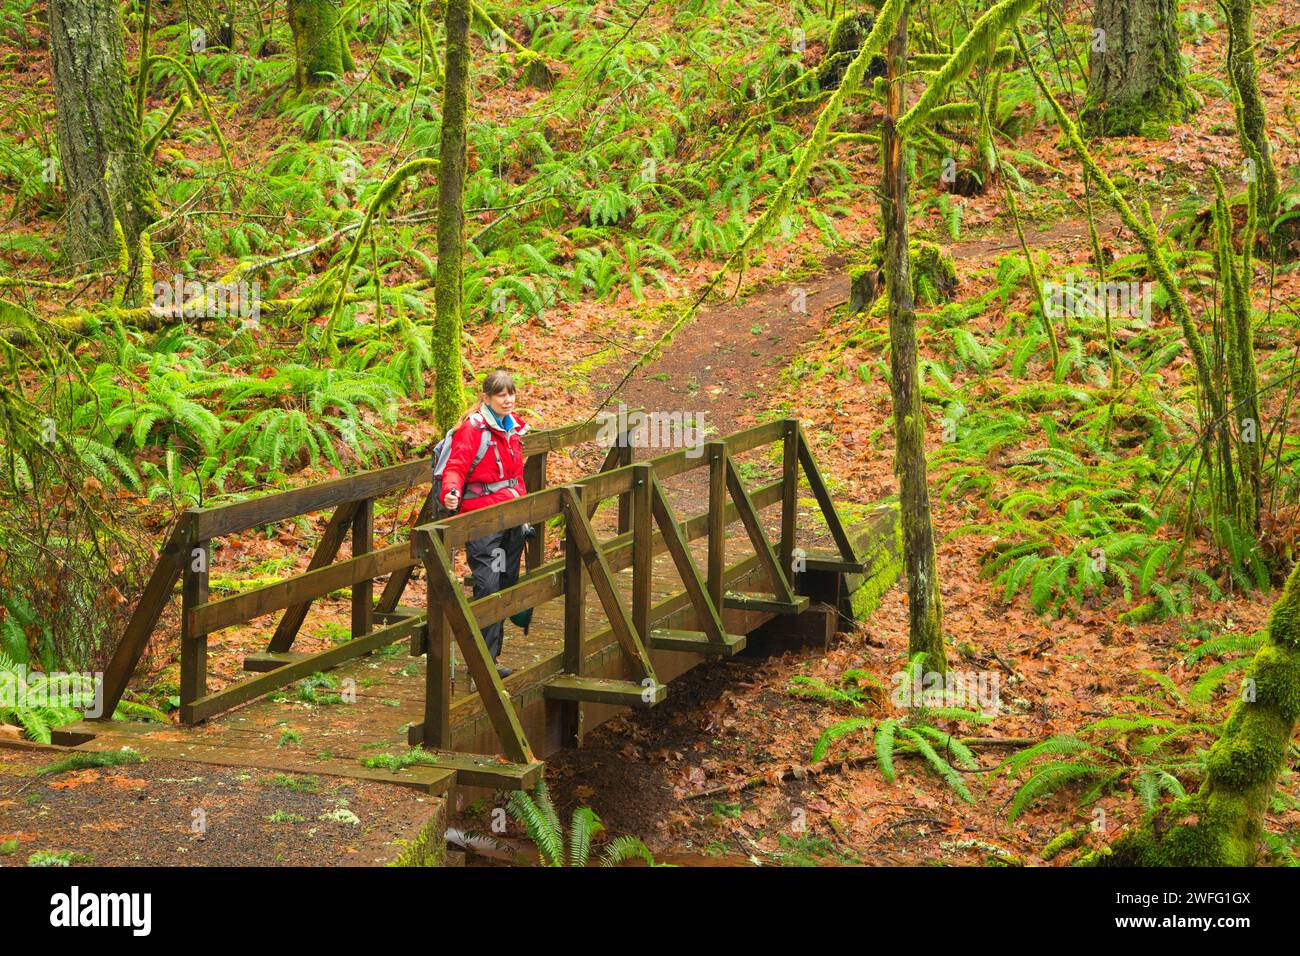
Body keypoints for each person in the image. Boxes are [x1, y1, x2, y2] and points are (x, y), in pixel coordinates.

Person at [439, 370, 530, 678]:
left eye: (511, 393)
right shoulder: (472, 429)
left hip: (512, 516)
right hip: (482, 520)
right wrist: (451, 492)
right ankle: (484, 666)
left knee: (505, 582)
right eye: (501, 395)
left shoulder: (513, 427)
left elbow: (515, 474)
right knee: (488, 587)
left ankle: (492, 658)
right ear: (486, 398)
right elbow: (456, 466)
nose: (508, 400)